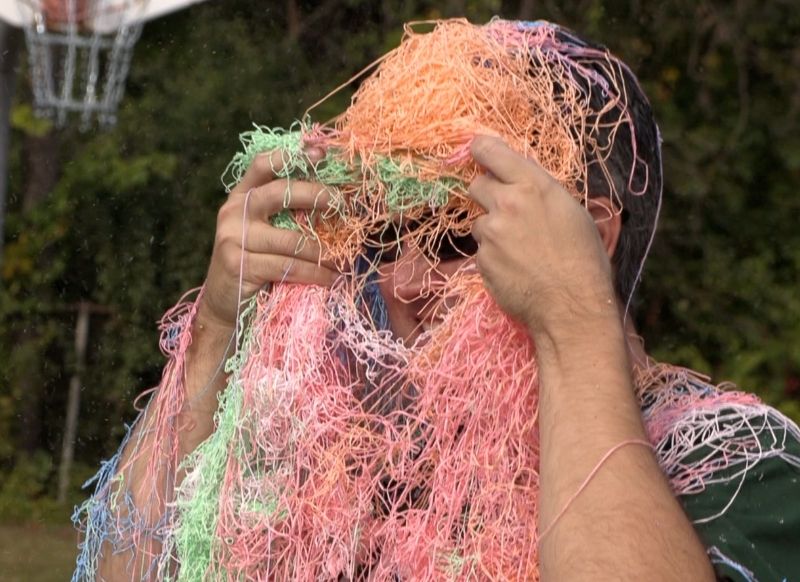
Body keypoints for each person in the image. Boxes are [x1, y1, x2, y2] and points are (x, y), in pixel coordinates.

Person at [73, 19, 800, 582]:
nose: (407, 282)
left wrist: (575, 326)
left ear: (592, 238)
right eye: (386, 237)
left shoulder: (737, 464)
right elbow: (126, 566)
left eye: (456, 235)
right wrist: (214, 336)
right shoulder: (363, 466)